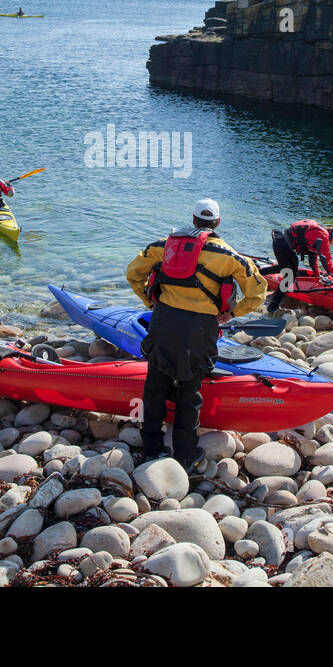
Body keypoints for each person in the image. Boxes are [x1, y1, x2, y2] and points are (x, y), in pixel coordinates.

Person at [125, 198, 267, 470]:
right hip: (200, 327)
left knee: (154, 383)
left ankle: (153, 448)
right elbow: (257, 291)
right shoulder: (229, 256)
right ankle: (186, 455)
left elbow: (134, 273)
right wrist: (231, 314)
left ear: (192, 221)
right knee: (190, 390)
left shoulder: (163, 245)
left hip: (164, 320)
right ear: (217, 223)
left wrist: (150, 301)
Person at [263, 220, 333, 312]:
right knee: (290, 276)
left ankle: (259, 272)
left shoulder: (319, 234)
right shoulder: (322, 237)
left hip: (281, 242)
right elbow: (327, 262)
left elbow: (312, 259)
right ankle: (272, 307)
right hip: (282, 244)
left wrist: (317, 275)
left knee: (286, 267)